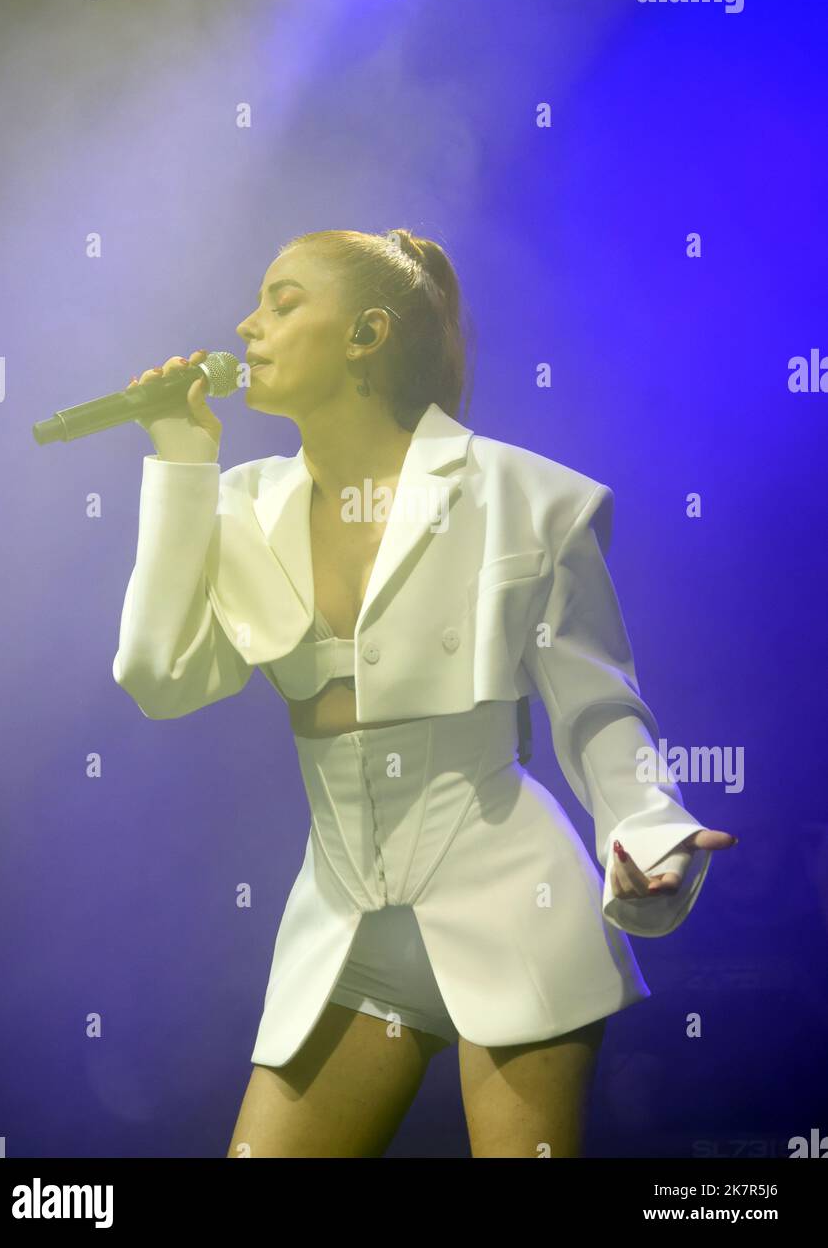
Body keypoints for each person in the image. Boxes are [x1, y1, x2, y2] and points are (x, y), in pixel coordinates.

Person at [114, 227, 737, 1158]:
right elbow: (158, 677)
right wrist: (177, 459)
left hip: (509, 893)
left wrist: (649, 828)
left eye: (283, 303)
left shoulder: (522, 496)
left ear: (366, 335)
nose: (248, 326)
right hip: (347, 917)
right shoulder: (241, 502)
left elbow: (597, 704)